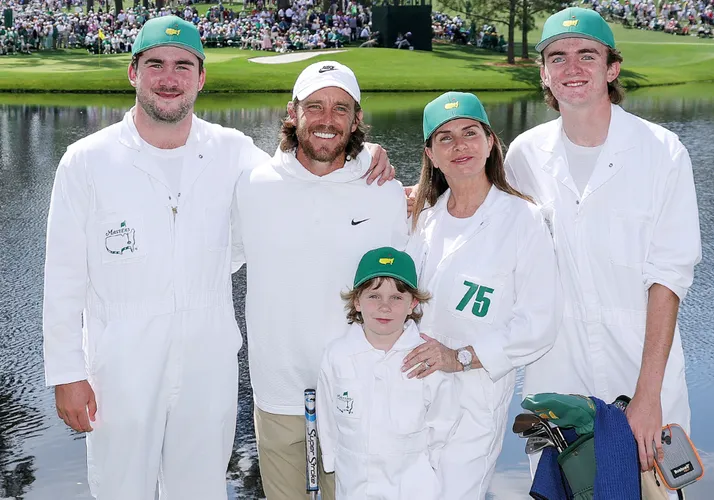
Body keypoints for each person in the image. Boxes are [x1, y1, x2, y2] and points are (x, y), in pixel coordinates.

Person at [43, 17, 392, 499]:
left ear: (201, 77)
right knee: (121, 489)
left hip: (208, 364)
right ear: (133, 72)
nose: (169, 78)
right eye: (156, 65)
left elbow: (304, 173)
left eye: (183, 66)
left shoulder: (232, 151)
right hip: (120, 364)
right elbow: (62, 277)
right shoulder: (86, 160)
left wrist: (361, 153)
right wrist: (66, 373)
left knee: (201, 489)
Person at [505, 6, 702, 482]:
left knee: (652, 490)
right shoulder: (524, 155)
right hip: (557, 370)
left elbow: (668, 278)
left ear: (612, 68)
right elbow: (479, 215)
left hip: (639, 368)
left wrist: (648, 395)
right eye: (557, 57)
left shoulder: (662, 152)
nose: (571, 67)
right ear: (544, 74)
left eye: (587, 55)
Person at [232, 60, 409, 500]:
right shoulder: (253, 184)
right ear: (292, 112)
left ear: (357, 119)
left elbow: (403, 293)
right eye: (314, 106)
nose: (327, 120)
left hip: (358, 391)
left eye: (340, 108)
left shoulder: (383, 190)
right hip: (277, 392)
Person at [401, 91, 561, 499]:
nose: (460, 146)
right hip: (410, 392)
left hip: (474, 399)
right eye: (446, 138)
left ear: (490, 142)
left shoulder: (523, 219)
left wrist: (459, 358)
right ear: (431, 155)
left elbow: (538, 324)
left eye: (470, 133)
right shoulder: (422, 220)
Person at [317, 247, 459, 499]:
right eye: (374, 296)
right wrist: (331, 459)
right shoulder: (337, 355)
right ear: (357, 301)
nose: (385, 307)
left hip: (413, 486)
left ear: (412, 304)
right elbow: (327, 416)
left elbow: (443, 420)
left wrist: (431, 466)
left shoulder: (426, 357)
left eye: (396, 297)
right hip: (354, 484)